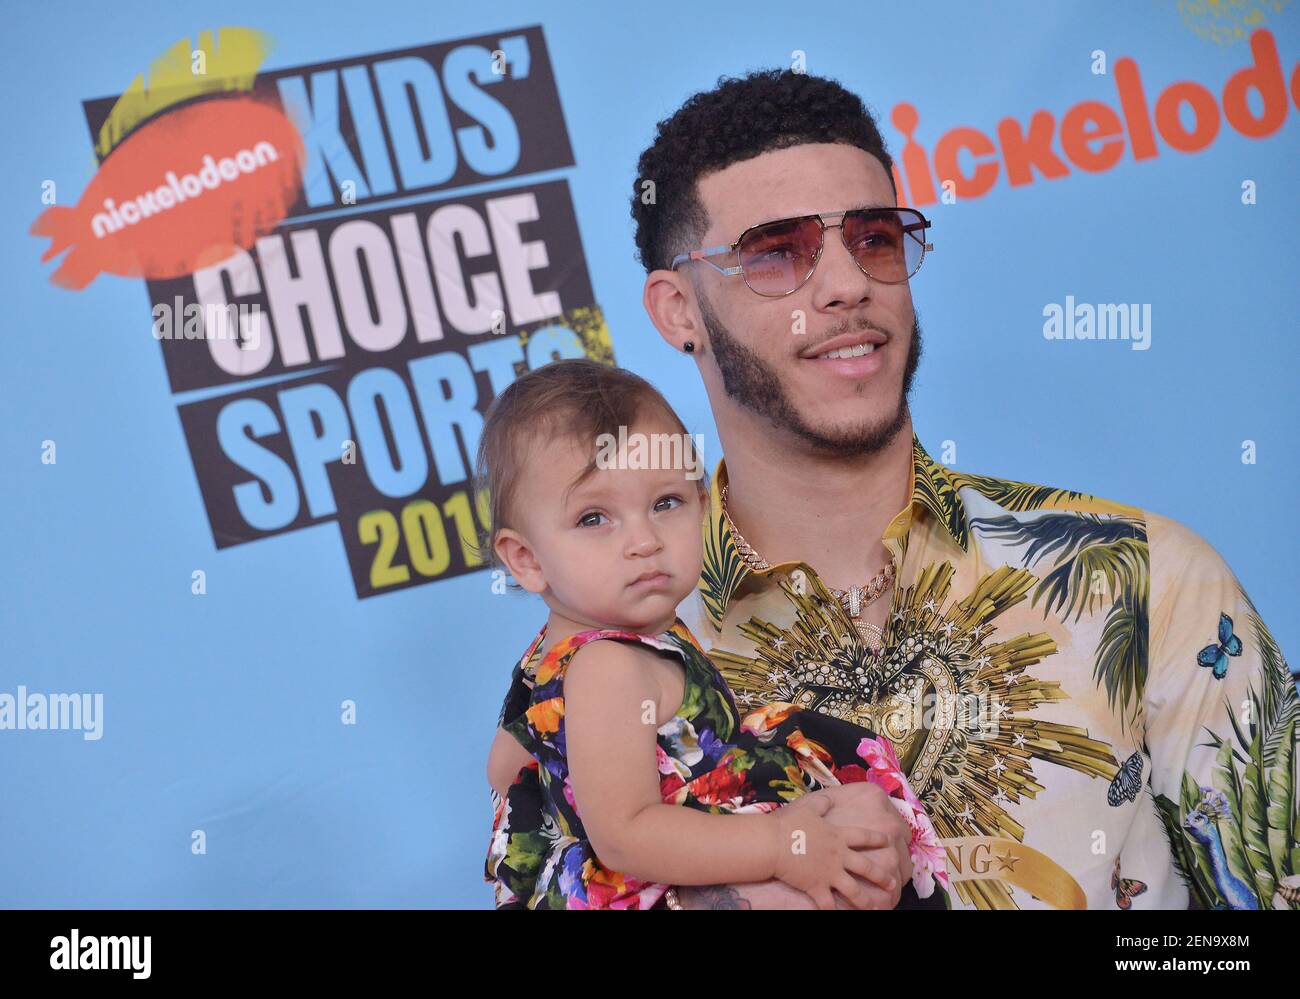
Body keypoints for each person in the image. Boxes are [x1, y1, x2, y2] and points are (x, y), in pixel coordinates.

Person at [493, 67, 1294, 910]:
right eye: (778, 253)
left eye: (873, 237)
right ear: (677, 309)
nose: (847, 284)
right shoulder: (615, 665)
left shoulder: (1143, 579)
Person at [477, 359, 949, 909]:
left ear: (703, 506)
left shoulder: (550, 661)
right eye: (593, 519)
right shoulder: (609, 668)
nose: (644, 540)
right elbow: (625, 835)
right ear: (527, 560)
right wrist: (778, 846)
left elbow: (507, 769)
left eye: (665, 503)